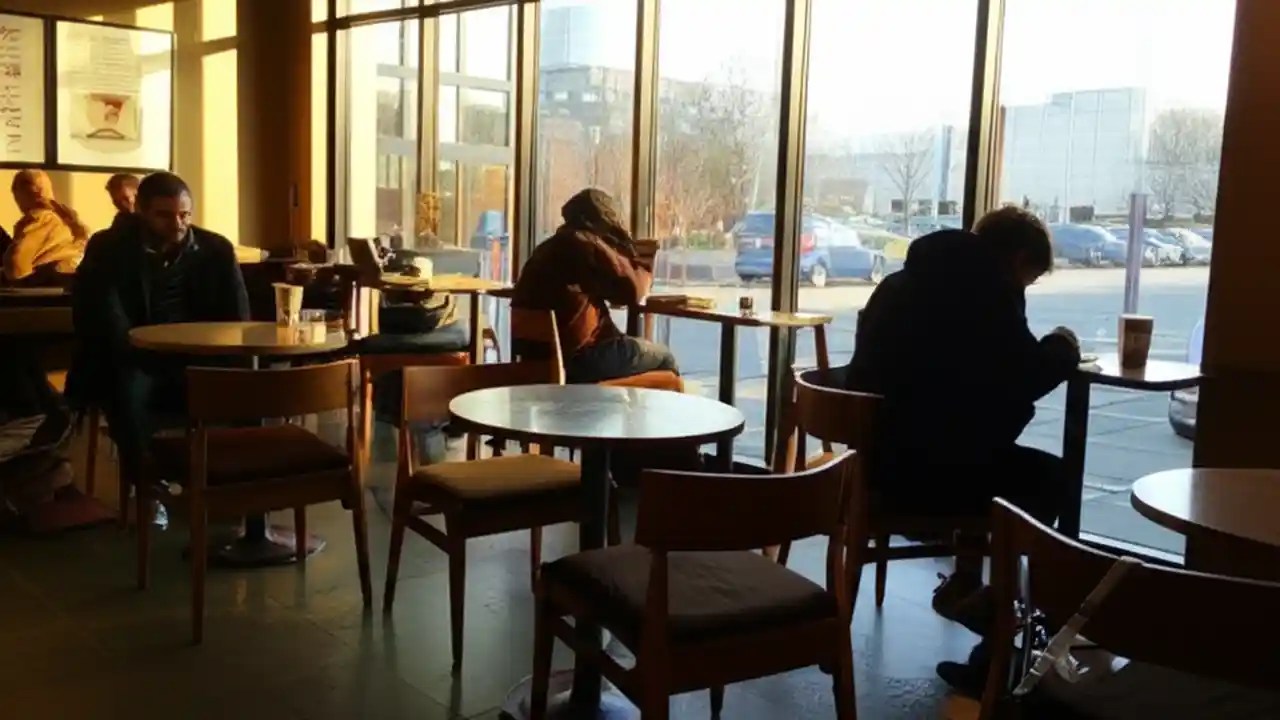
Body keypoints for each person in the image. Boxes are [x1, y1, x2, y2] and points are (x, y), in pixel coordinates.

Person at [844, 206, 1080, 690]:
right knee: (1051, 480)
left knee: (983, 453)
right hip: (933, 478)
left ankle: (970, 586)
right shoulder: (985, 295)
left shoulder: (899, 284)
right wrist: (1063, 345)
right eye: (1028, 280)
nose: (1024, 292)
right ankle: (992, 636)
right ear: (1016, 260)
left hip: (879, 469)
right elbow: (1025, 376)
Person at [67, 171, 249, 483]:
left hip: (199, 357)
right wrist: (143, 350)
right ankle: (149, 484)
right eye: (164, 215)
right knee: (128, 390)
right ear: (141, 211)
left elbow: (238, 318)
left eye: (185, 214)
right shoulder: (109, 247)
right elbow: (103, 317)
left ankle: (234, 486)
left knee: (252, 387)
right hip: (133, 358)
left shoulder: (215, 250)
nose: (177, 224)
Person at [511, 188, 677, 383]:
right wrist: (638, 263)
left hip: (537, 360)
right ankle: (636, 413)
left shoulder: (547, 247)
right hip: (580, 359)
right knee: (665, 358)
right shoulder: (586, 244)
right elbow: (632, 292)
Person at [3, 169, 89, 285]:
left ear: (27, 192)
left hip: (44, 286)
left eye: (16, 195)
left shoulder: (39, 218)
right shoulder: (66, 218)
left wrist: (15, 282)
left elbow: (17, 262)